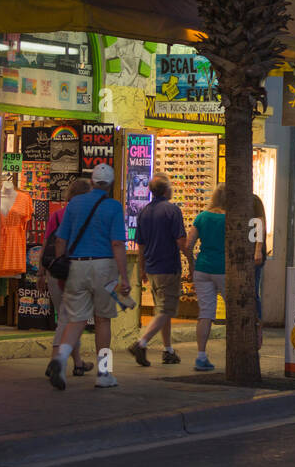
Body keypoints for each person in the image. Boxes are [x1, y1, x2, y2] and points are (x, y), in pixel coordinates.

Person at [46, 163, 129, 390]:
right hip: (103, 266)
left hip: (77, 266)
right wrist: (124, 277)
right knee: (103, 320)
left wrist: (63, 267)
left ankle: (61, 359)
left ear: (92, 182)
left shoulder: (75, 205)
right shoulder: (113, 207)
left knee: (76, 318)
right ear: (110, 185)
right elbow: (118, 244)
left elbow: (61, 240)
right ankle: (104, 373)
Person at [128, 172, 189, 367]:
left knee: (162, 310)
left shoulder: (144, 212)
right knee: (166, 310)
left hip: (153, 269)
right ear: (165, 190)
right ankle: (141, 342)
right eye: (170, 186)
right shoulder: (172, 211)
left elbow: (141, 245)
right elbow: (181, 241)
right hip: (168, 268)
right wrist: (191, 260)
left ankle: (168, 350)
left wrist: (143, 270)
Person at [39, 178, 94, 376]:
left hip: (55, 270)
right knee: (68, 318)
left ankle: (78, 362)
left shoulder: (57, 215)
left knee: (69, 317)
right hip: (76, 272)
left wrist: (41, 272)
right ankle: (55, 362)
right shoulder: (88, 216)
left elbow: (46, 244)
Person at [186, 183, 227, 370]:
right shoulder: (231, 219)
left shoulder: (202, 217)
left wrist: (192, 263)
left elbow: (188, 245)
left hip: (202, 268)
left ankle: (201, 356)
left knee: (205, 314)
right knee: (234, 310)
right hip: (225, 269)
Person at [251, 193, 268, 349]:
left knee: (254, 293)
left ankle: (258, 329)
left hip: (253, 255)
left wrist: (258, 250)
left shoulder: (253, 201)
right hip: (244, 254)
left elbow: (260, 224)